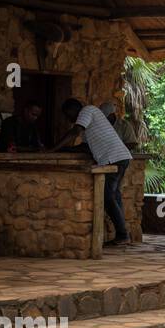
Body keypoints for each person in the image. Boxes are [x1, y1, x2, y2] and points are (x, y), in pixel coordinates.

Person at [52, 98, 134, 246]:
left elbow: (75, 131)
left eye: (67, 114)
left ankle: (123, 235)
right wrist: (64, 149)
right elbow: (84, 147)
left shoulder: (88, 110)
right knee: (114, 196)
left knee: (107, 196)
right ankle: (123, 234)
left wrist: (53, 149)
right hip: (119, 157)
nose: (68, 118)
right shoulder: (89, 122)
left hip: (115, 158)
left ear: (73, 109)